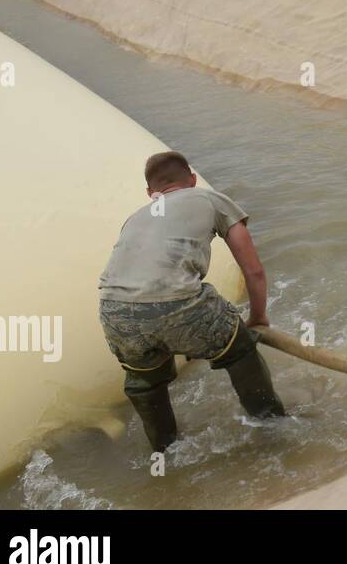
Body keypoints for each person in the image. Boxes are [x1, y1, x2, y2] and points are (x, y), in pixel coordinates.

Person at [98, 151, 285, 451]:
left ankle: (165, 453)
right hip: (177, 302)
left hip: (114, 312)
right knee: (240, 350)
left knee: (145, 383)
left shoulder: (135, 217)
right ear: (193, 179)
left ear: (151, 193)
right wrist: (257, 319)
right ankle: (274, 430)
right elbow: (254, 270)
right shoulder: (211, 199)